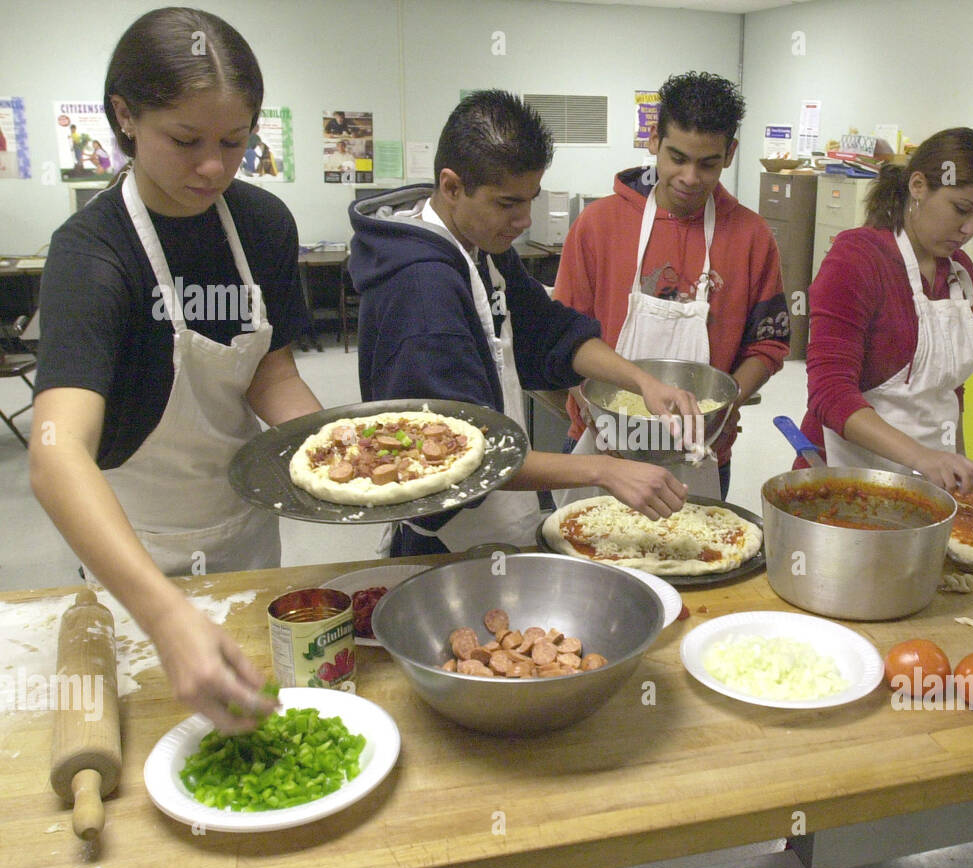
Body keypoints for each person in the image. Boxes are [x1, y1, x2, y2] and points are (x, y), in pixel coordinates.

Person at [30, 7, 322, 731]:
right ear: (125, 117)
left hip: (246, 534)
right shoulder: (91, 255)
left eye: (235, 140)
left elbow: (269, 373)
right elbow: (55, 452)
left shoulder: (262, 225)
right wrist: (164, 616)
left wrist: (333, 447)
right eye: (185, 140)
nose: (215, 167)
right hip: (136, 549)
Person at [349, 89, 697, 557]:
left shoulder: (479, 247)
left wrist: (641, 381)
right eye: (507, 203)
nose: (524, 220)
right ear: (452, 187)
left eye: (531, 199)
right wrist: (605, 470)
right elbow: (461, 454)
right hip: (445, 538)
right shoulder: (421, 290)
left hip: (496, 510)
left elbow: (547, 330)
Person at [553, 71, 790, 502]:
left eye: (708, 163)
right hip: (599, 444)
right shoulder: (598, 225)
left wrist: (723, 407)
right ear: (653, 141)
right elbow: (561, 336)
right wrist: (595, 410)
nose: (690, 176)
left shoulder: (751, 236)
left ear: (730, 154)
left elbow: (768, 345)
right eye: (677, 157)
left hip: (701, 452)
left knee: (699, 560)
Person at [796, 128, 973, 493]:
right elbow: (830, 395)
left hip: (927, 485)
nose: (969, 229)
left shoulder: (960, 274)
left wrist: (957, 462)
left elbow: (950, 391)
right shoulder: (857, 259)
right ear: (919, 186)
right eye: (961, 209)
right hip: (846, 480)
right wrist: (922, 457)